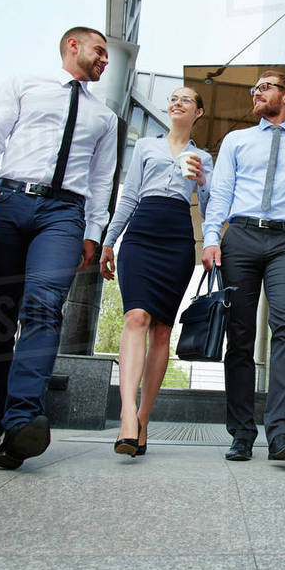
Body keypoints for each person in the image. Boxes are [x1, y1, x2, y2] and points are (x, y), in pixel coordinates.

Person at [0, 26, 119, 470]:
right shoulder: (24, 86)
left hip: (64, 215)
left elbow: (103, 180)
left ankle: (22, 422)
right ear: (73, 46)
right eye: (99, 51)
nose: (105, 60)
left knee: (45, 308)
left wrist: (94, 230)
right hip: (8, 203)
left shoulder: (105, 118)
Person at [201, 71, 285, 462]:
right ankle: (241, 433)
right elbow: (221, 190)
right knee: (238, 336)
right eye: (254, 88)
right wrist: (210, 237)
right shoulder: (237, 141)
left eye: (265, 87)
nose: (256, 92)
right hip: (240, 236)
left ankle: (282, 433)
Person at [100, 86, 212, 457]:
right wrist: (109, 241)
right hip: (142, 232)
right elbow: (129, 195)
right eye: (173, 98)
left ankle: (143, 420)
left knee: (162, 330)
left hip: (179, 237)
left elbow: (211, 209)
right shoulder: (147, 147)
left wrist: (202, 182)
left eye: (186, 100)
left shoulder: (204, 157)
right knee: (135, 316)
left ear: (198, 113)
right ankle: (127, 416)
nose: (176, 103)